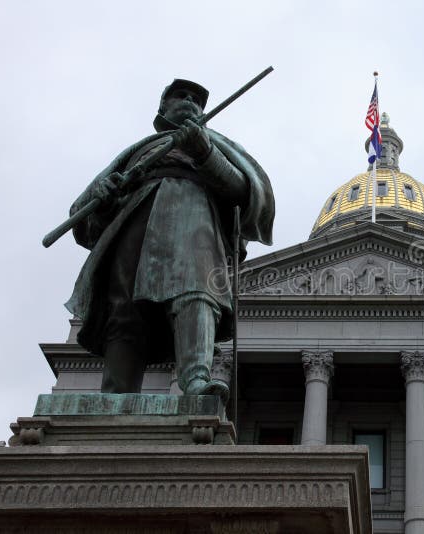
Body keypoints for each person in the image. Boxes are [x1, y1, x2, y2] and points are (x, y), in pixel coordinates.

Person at [65, 79, 274, 398]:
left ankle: (196, 381)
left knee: (196, 293)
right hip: (136, 220)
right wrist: (103, 196)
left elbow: (246, 194)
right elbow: (83, 214)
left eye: (197, 99)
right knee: (124, 310)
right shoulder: (138, 150)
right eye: (181, 95)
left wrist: (204, 153)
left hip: (193, 218)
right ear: (162, 107)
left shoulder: (215, 144)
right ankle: (115, 395)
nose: (190, 100)